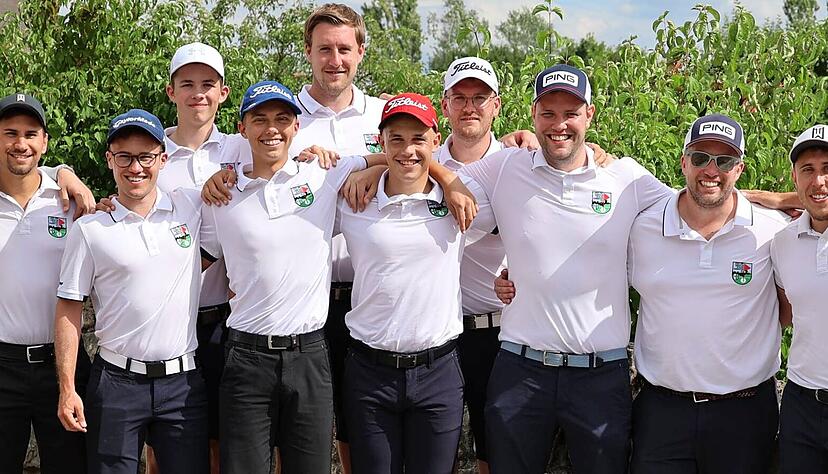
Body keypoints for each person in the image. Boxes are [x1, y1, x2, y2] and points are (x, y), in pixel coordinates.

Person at [459, 64, 673, 474]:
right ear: (533, 115)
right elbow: (419, 168)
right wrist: (377, 163)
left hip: (599, 376)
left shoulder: (625, 177)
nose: (559, 125)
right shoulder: (506, 166)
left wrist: (777, 198)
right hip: (520, 371)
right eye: (548, 113)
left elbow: (696, 204)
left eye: (570, 113)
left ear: (589, 115)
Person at [336, 92, 495, 474]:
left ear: (436, 142)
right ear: (381, 143)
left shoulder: (463, 199)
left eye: (418, 139)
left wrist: (448, 178)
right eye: (397, 139)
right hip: (370, 372)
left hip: (437, 371)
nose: (408, 150)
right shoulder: (354, 199)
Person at [626, 114, 785, 473]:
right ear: (683, 162)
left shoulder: (773, 230)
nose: (711, 170)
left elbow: (788, 309)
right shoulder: (642, 227)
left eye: (725, 161)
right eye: (700, 158)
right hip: (661, 412)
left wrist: (789, 197)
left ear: (740, 169)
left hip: (744, 413)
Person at [55, 109, 208, 473]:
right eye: (124, 156)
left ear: (163, 159)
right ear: (109, 160)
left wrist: (368, 161)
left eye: (146, 156)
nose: (135, 167)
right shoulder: (90, 229)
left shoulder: (191, 207)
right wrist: (66, 387)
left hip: (183, 383)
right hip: (117, 384)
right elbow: (68, 308)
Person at [0, 92, 90, 474]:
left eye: (31, 133)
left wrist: (62, 173)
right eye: (10, 133)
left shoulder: (69, 201)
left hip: (63, 365)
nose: (21, 143)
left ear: (45, 142)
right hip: (2, 365)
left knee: (72, 466)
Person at [773, 124, 828, 473]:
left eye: (827, 169)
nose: (818, 181)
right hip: (802, 404)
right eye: (808, 170)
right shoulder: (783, 243)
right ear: (794, 177)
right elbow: (786, 314)